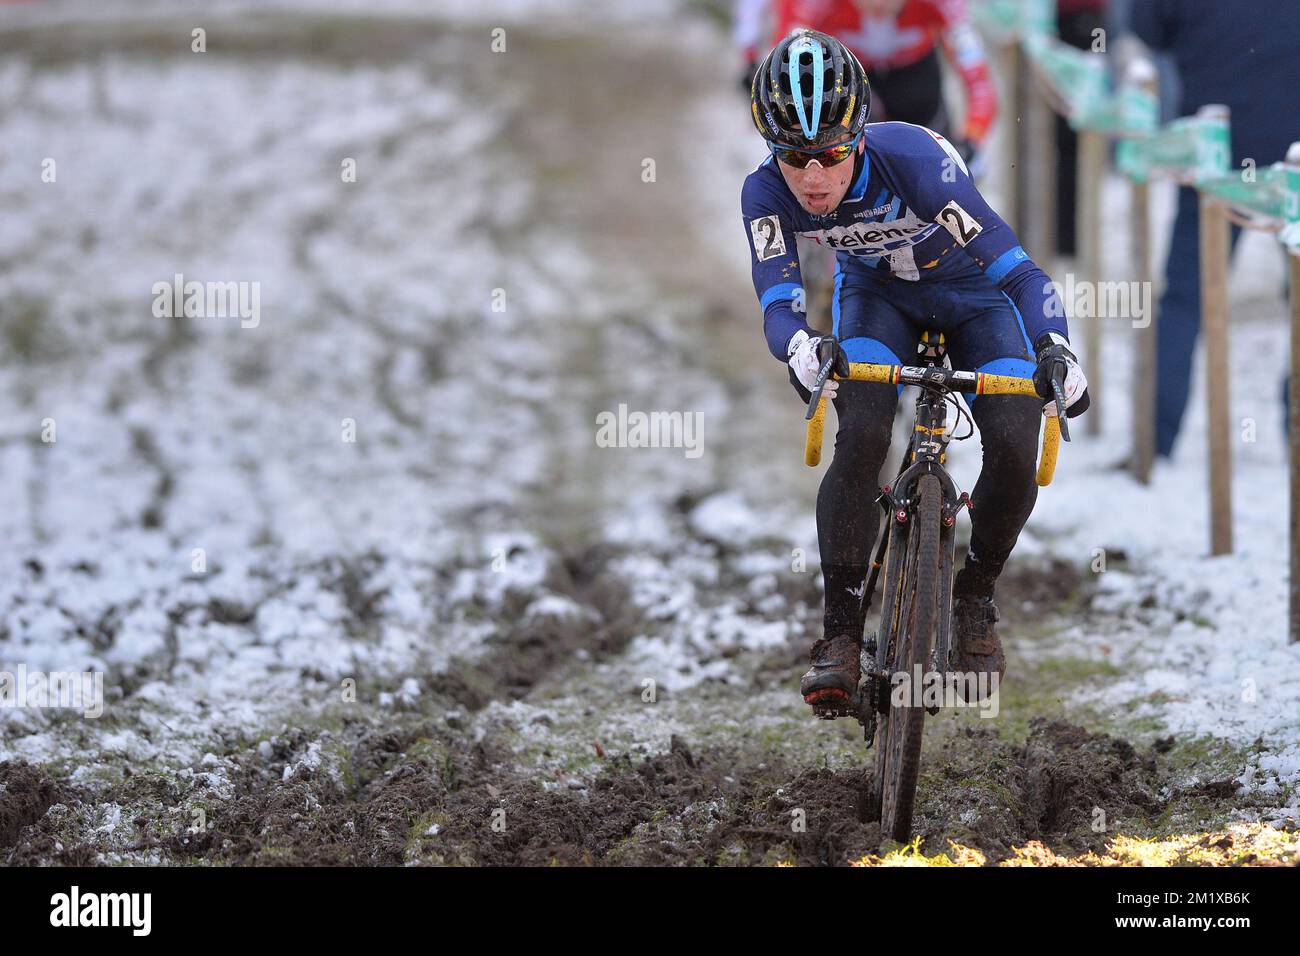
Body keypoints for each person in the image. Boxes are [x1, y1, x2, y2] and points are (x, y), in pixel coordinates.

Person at [741, 30, 1088, 708]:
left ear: (860, 137)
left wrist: (1057, 345)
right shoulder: (764, 194)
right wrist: (802, 348)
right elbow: (778, 302)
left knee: (1016, 442)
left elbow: (1019, 272)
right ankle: (839, 637)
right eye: (795, 157)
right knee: (863, 432)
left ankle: (975, 599)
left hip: (976, 299)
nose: (815, 177)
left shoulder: (916, 162)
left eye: (833, 155)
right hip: (878, 300)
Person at [1129, 0, 1300, 457]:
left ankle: (1156, 443)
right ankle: (1297, 438)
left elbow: (1145, 29)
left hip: (1217, 152)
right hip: (1288, 148)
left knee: (1185, 299)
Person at [734, 0, 998, 171]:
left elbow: (979, 82)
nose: (880, 6)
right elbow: (782, 66)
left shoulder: (943, 4)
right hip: (848, 75)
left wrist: (971, 139)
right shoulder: (812, 4)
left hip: (915, 78)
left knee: (941, 159)